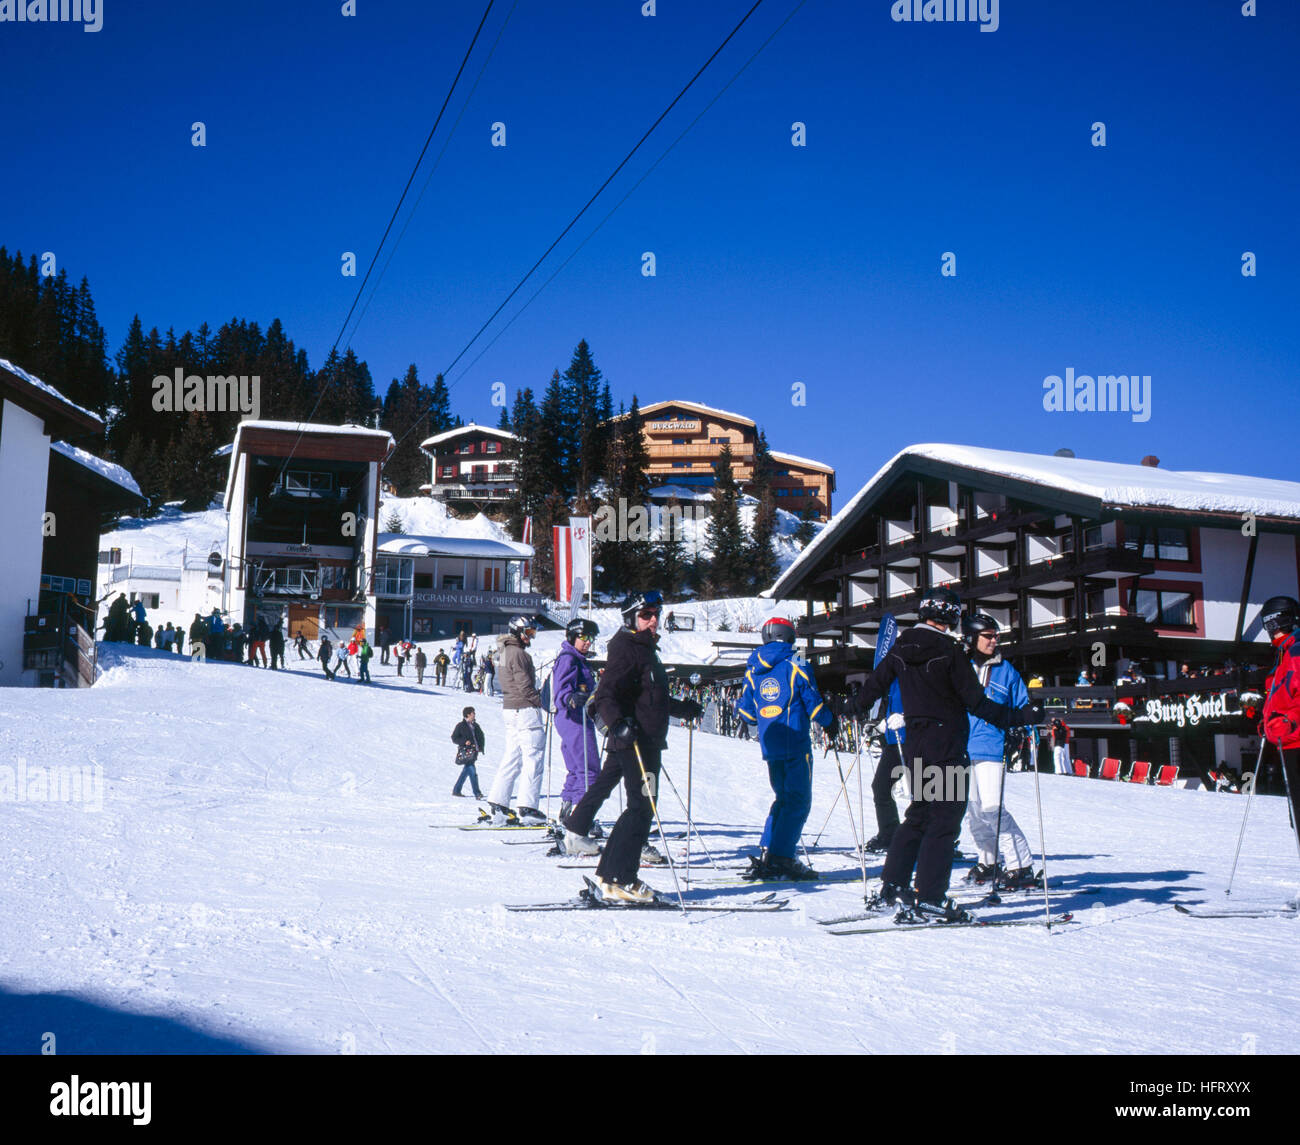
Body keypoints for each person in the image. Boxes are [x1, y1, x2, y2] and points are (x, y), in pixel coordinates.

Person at [849, 587, 1038, 922]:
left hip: (916, 742)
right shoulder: (951, 651)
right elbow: (977, 703)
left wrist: (851, 707)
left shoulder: (901, 646)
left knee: (919, 814)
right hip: (947, 744)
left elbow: (875, 686)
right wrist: (1020, 718)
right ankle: (931, 897)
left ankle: (892, 886)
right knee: (945, 821)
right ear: (951, 615)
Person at [561, 591, 702, 902]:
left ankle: (610, 876)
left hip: (643, 739)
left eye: (656, 613)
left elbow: (649, 698)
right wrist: (617, 724)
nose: (653, 619)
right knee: (641, 808)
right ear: (631, 618)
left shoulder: (645, 649)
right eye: (646, 614)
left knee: (637, 806)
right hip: (635, 741)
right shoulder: (627, 648)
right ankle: (622, 878)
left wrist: (682, 709)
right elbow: (607, 694)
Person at [735, 616, 834, 881]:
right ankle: (782, 857)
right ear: (789, 636)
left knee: (783, 798)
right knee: (799, 800)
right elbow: (812, 699)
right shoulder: (797, 659)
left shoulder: (753, 665)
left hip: (771, 743)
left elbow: (746, 713)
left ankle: (771, 850)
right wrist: (829, 721)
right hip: (796, 741)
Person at [961, 612, 1039, 890]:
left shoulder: (1007, 671)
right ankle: (989, 862)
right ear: (971, 638)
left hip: (991, 748)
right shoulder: (959, 666)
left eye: (996, 636)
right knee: (973, 811)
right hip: (961, 747)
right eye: (988, 636)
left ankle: (1021, 866)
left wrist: (1025, 729)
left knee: (992, 809)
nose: (994, 641)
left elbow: (1022, 707)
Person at [484, 616, 548, 825]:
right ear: (518, 632)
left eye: (533, 633)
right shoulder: (519, 654)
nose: (532, 637)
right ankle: (528, 807)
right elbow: (524, 685)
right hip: (525, 709)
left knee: (513, 755)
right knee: (533, 757)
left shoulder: (504, 652)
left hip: (510, 709)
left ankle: (498, 801)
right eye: (529, 633)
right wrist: (540, 701)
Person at [552, 618, 602, 841]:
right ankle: (582, 820)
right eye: (584, 637)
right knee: (589, 770)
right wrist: (571, 698)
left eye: (591, 638)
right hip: (574, 718)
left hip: (570, 718)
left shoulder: (575, 658)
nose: (588, 642)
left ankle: (568, 808)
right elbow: (559, 691)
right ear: (573, 636)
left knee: (576, 769)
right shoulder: (569, 659)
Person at [1259, 596, 1300, 844]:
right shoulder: (1283, 654)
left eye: (1274, 624)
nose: (1271, 632)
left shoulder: (1296, 651)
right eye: (1267, 625)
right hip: (1288, 744)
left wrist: (1289, 722)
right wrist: (1267, 722)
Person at [451, 707, 486, 798]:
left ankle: (456, 790)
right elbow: (454, 738)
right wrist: (464, 741)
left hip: (474, 752)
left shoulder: (475, 725)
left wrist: (481, 747)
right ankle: (477, 793)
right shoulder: (461, 725)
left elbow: (480, 736)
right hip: (466, 752)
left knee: (466, 771)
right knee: (472, 771)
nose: (474, 715)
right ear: (468, 715)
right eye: (473, 713)